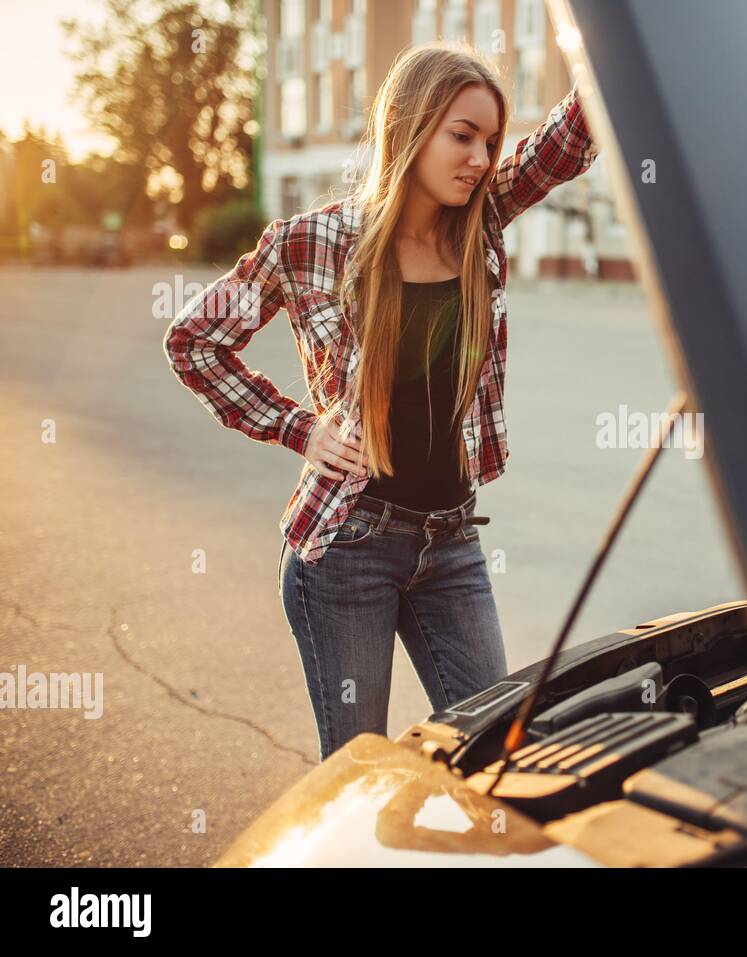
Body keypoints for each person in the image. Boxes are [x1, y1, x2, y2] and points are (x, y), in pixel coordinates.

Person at [162, 43, 599, 761]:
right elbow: (195, 341)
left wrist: (604, 45)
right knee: (357, 770)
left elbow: (567, 139)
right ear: (407, 124)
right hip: (347, 547)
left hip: (452, 542)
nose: (482, 158)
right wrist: (297, 427)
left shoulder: (480, 221)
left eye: (491, 140)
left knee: (495, 753)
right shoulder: (309, 242)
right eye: (463, 135)